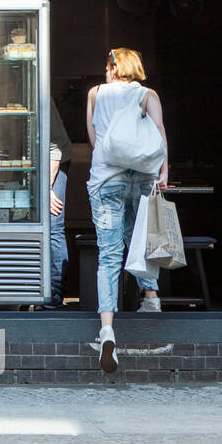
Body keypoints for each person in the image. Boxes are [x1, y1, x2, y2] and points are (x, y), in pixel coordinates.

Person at [86, 48, 169, 374]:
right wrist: (164, 170)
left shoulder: (96, 93)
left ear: (113, 67)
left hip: (108, 180)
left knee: (109, 253)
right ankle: (150, 297)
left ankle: (107, 328)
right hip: (143, 177)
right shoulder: (148, 94)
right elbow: (159, 132)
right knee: (142, 237)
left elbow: (95, 140)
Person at [44, 103, 73, 310]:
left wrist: (47, 188)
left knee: (54, 223)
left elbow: (56, 148)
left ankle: (55, 291)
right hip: (36, 162)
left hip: (55, 162)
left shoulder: (39, 92)